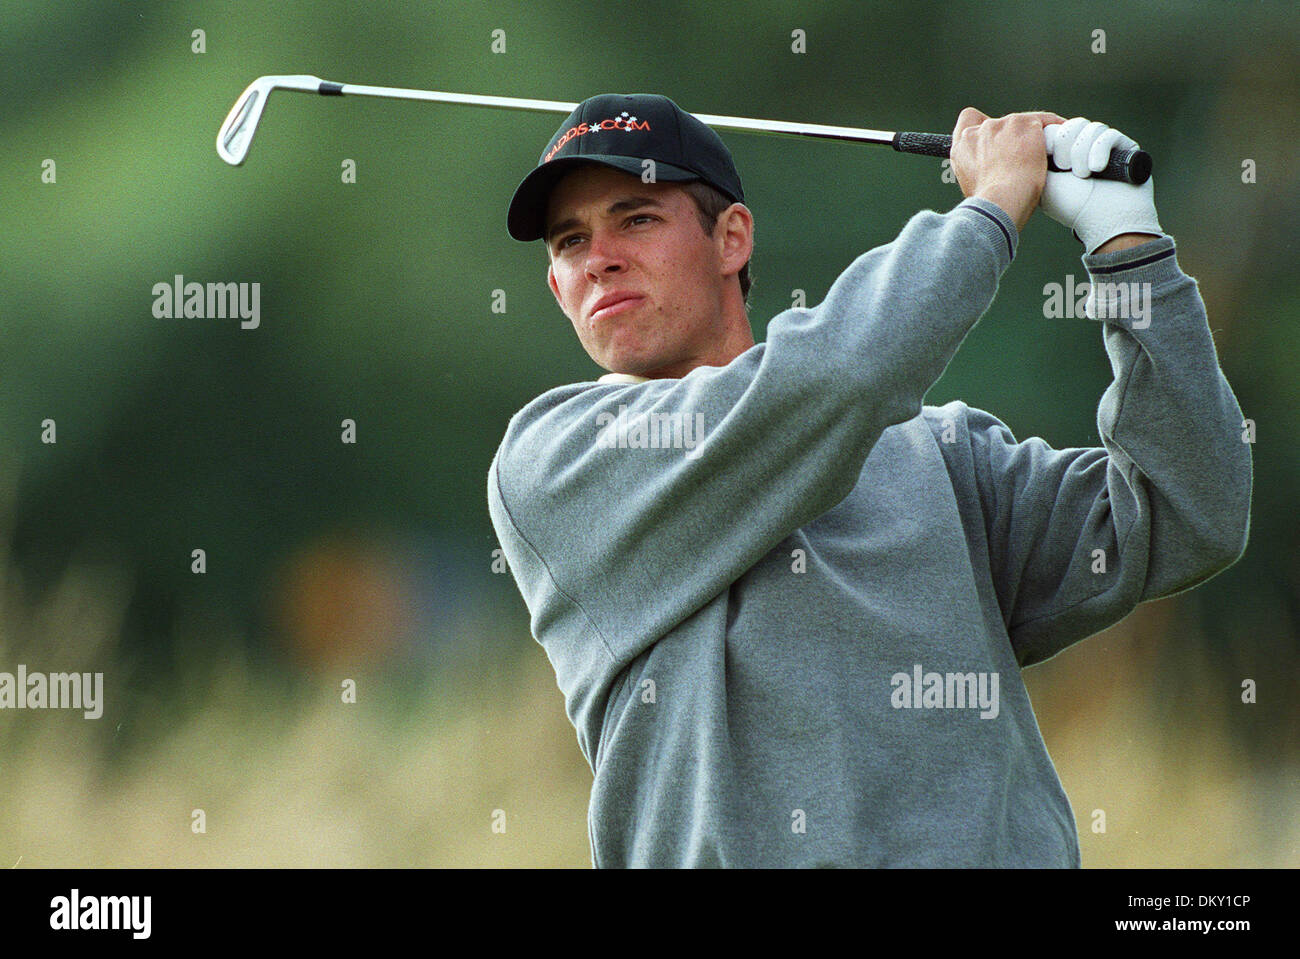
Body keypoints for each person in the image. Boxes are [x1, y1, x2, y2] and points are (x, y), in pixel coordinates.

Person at [486, 93, 1252, 867]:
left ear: (732, 239)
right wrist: (989, 211)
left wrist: (1130, 250)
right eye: (569, 240)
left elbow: (1189, 513)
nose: (599, 258)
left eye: (636, 218)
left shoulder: (945, 454)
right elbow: (838, 377)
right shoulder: (554, 461)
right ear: (557, 287)